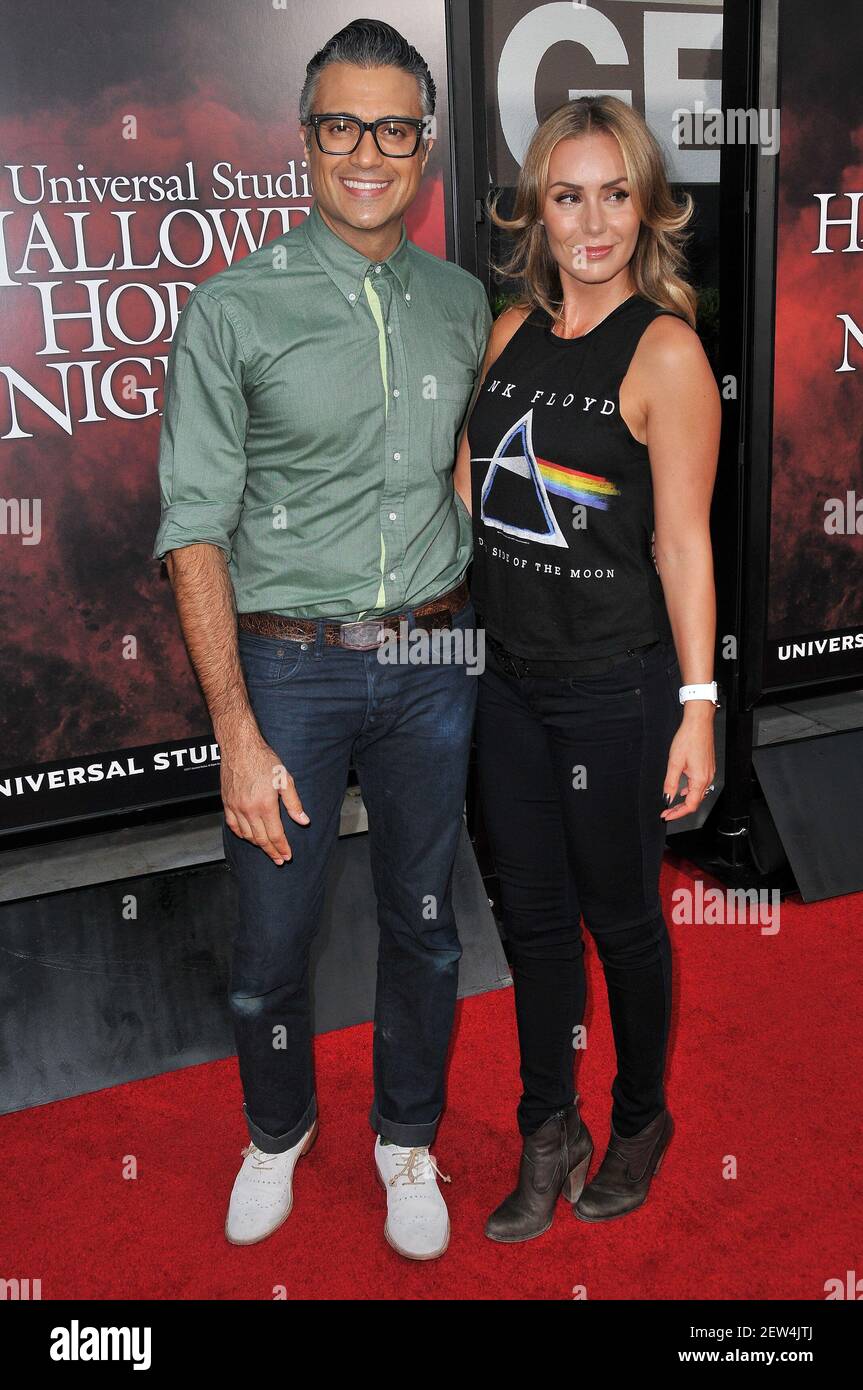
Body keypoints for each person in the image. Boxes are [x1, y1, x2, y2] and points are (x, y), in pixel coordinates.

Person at [152, 18, 492, 1261]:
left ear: (423, 147)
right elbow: (193, 530)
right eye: (340, 124)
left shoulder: (463, 303)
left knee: (423, 922)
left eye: (391, 127)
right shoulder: (233, 309)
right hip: (286, 670)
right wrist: (234, 729)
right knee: (271, 942)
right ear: (304, 140)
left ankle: (406, 1136)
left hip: (434, 665)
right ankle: (276, 1129)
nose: (366, 151)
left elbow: (465, 472)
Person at [453, 95, 721, 1240]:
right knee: (530, 923)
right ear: (537, 211)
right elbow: (473, 484)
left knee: (621, 921)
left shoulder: (666, 349)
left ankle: (641, 1117)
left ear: (646, 204)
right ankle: (545, 1122)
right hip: (503, 685)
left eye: (615, 193)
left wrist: (698, 707)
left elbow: (681, 542)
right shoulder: (510, 333)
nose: (593, 221)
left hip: (613, 689)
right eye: (569, 196)